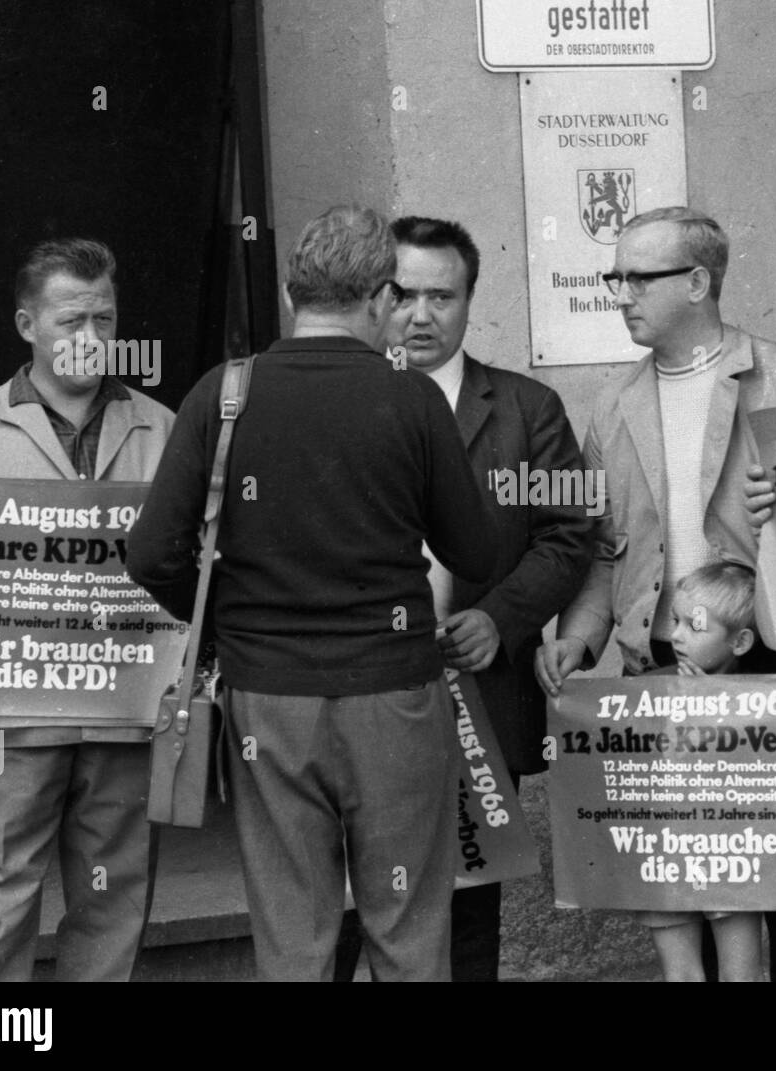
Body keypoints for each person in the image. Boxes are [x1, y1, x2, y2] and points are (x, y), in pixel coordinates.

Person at [125, 204, 494, 982]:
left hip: (269, 700)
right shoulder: (414, 399)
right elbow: (475, 551)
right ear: (381, 300)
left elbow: (152, 552)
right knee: (408, 928)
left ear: (293, 298)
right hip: (393, 695)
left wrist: (230, 629)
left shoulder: (222, 394)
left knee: (294, 934)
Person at [536, 205, 776, 982]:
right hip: (661, 670)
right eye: (616, 277)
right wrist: (578, 634)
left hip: (771, 661)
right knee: (678, 868)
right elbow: (606, 553)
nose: (621, 293)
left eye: (638, 277)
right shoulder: (613, 402)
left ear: (699, 281)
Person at [0, 238, 174, 981]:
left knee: (114, 895)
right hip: (6, 714)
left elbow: (196, 561)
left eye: (105, 320)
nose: (90, 338)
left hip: (124, 706)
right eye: (71, 320)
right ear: (28, 324)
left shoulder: (166, 428)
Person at [336, 215, 594, 982]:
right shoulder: (339, 405)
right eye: (404, 294)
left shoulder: (527, 408)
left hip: (476, 690)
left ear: (470, 300)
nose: (420, 314)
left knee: (469, 911)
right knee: (349, 906)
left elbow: (568, 533)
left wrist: (501, 618)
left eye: (441, 296)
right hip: (358, 694)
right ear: (377, 297)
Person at [639, 561, 763, 982]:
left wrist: (712, 709)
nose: (675, 635)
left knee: (740, 976)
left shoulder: (766, 705)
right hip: (665, 854)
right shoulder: (644, 696)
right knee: (681, 974)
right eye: (675, 621)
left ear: (740, 641)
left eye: (694, 626)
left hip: (733, 859)